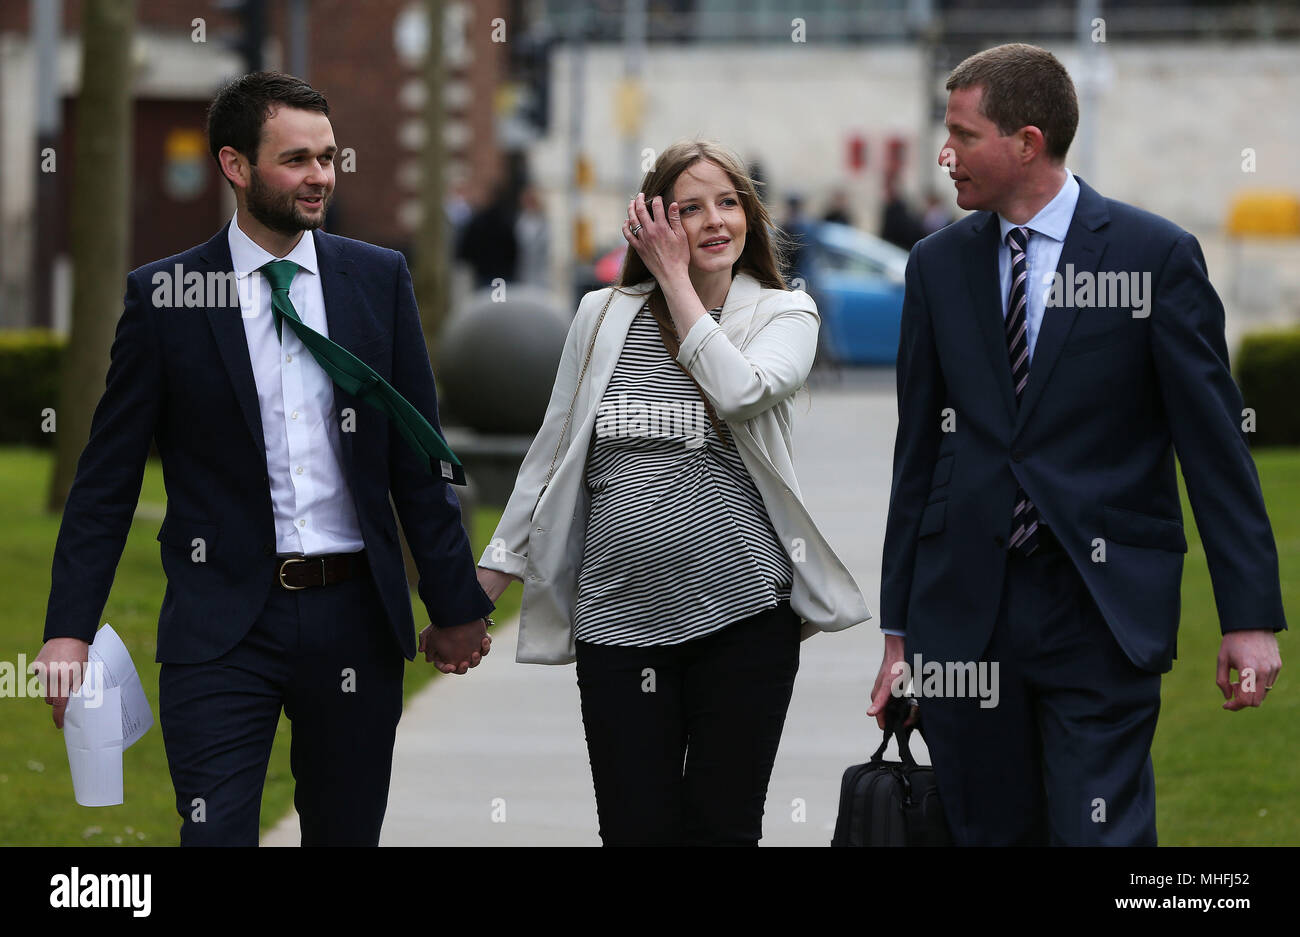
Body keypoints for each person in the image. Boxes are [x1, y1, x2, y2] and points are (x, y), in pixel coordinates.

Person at [33, 72, 493, 846]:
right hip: (221, 625)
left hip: (354, 618)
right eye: (296, 160)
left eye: (329, 158)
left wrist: (453, 605)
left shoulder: (377, 281)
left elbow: (418, 456)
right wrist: (68, 629)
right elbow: (106, 481)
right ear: (235, 167)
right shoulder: (166, 297)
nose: (319, 177)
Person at [870, 43, 1286, 845]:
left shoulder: (1153, 257)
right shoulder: (936, 265)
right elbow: (917, 453)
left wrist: (1249, 615)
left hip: (1102, 609)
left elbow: (1213, 445)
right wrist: (898, 633)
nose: (945, 154)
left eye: (962, 133)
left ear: (1027, 142)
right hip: (967, 616)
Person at [476, 140, 871, 845]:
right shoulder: (600, 316)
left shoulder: (785, 315)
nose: (716, 221)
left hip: (744, 622)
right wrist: (488, 579)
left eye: (728, 203)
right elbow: (552, 453)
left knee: (722, 828)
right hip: (615, 625)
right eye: (691, 208)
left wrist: (678, 285)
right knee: (634, 830)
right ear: (653, 223)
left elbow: (740, 390)